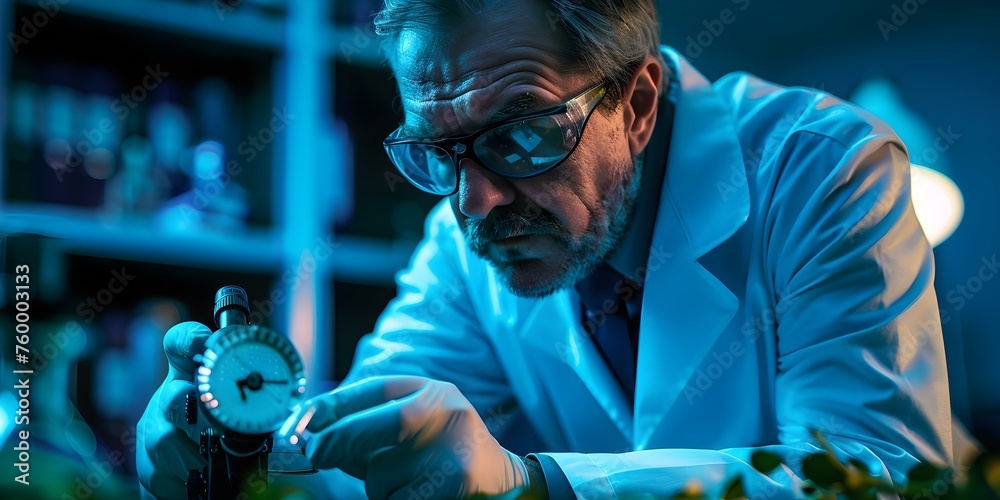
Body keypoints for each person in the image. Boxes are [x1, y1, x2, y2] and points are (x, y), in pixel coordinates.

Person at [137, 0, 973, 498]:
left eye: (525, 135)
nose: (477, 204)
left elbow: (881, 478)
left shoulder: (822, 167)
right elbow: (373, 454)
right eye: (438, 151)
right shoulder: (461, 239)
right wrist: (234, 453)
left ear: (638, 104)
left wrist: (535, 488)